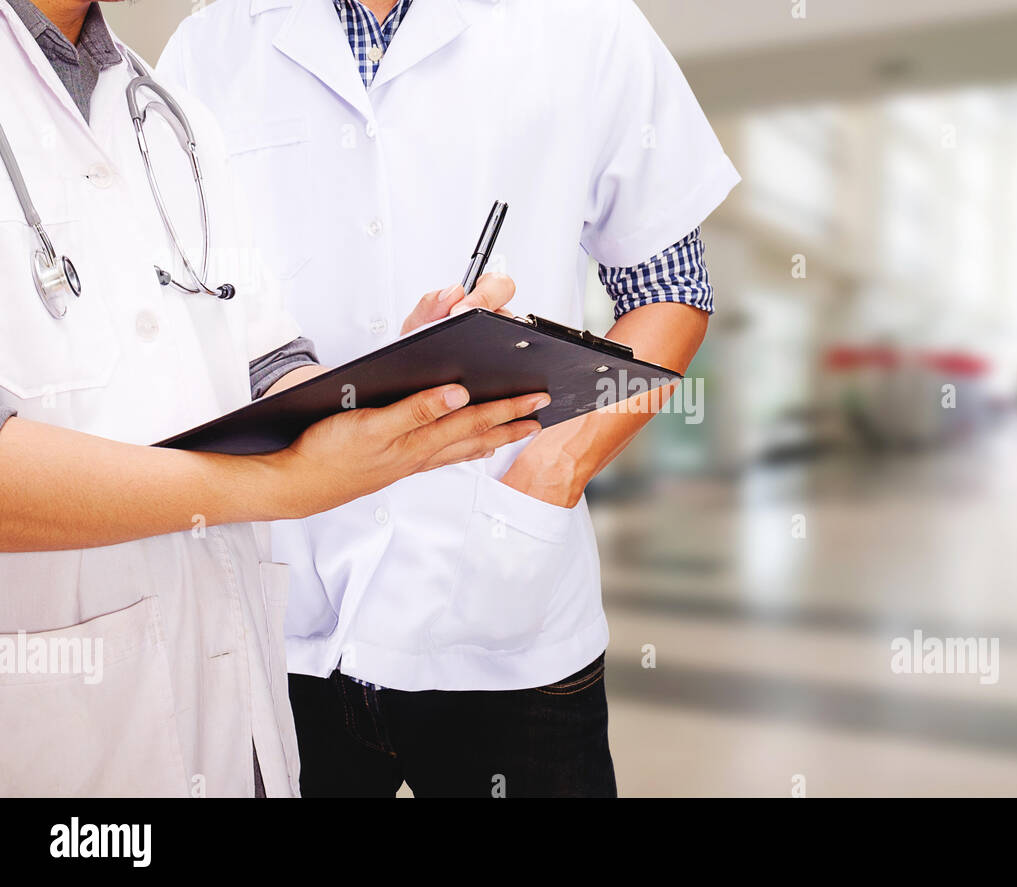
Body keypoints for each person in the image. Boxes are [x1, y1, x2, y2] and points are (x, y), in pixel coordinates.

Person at [160, 0, 740, 797]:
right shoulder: (213, 40)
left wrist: (554, 468)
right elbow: (181, 306)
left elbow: (671, 289)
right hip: (283, 610)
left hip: (509, 611)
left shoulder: (588, 25)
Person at [0, 0, 544, 797]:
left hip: (236, 717)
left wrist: (391, 384)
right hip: (61, 733)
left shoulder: (168, 114)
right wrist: (280, 488)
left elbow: (262, 354)